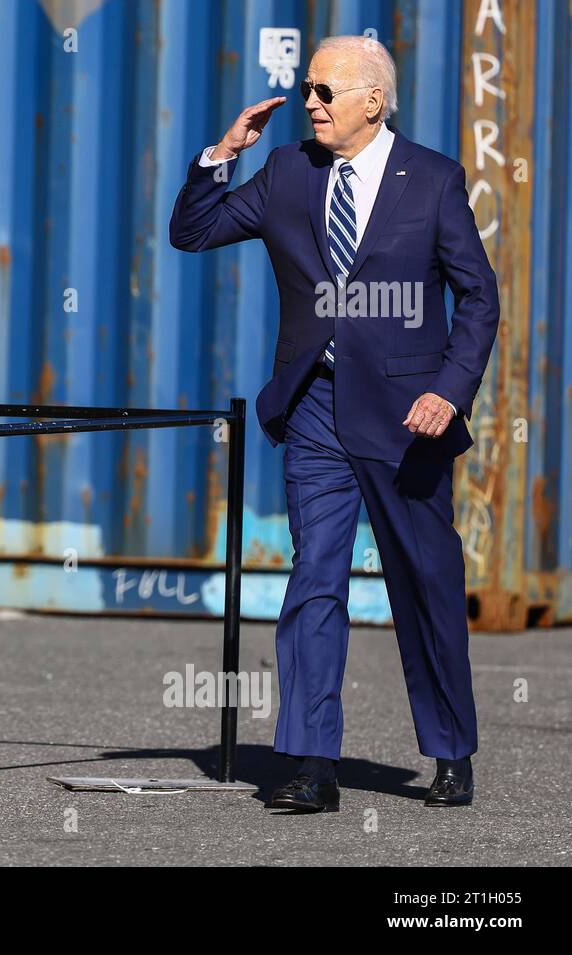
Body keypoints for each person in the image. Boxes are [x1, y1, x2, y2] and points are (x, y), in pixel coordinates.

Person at [170, 35, 498, 810]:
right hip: (314, 408)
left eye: (324, 90)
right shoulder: (287, 171)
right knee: (315, 578)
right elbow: (195, 233)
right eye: (308, 89)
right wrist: (220, 155)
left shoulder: (435, 181)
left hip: (407, 418)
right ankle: (311, 762)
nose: (309, 102)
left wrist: (450, 391)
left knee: (425, 583)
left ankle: (451, 749)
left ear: (372, 102)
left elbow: (478, 298)